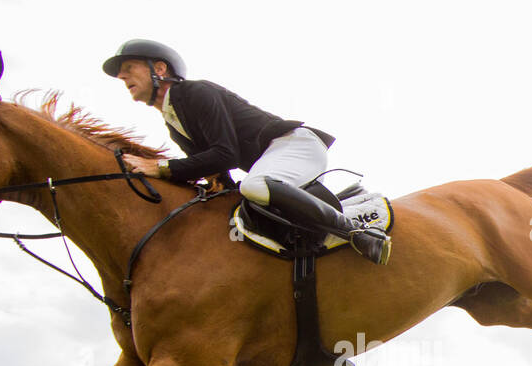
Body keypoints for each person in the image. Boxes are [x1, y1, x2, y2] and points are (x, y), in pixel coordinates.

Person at [102, 39, 391, 265]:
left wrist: (161, 167)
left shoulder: (195, 93)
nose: (122, 77)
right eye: (120, 74)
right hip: (271, 161)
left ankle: (359, 233)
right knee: (244, 198)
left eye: (129, 68)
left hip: (296, 145)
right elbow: (218, 173)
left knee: (253, 184)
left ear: (160, 69)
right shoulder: (175, 124)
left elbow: (224, 155)